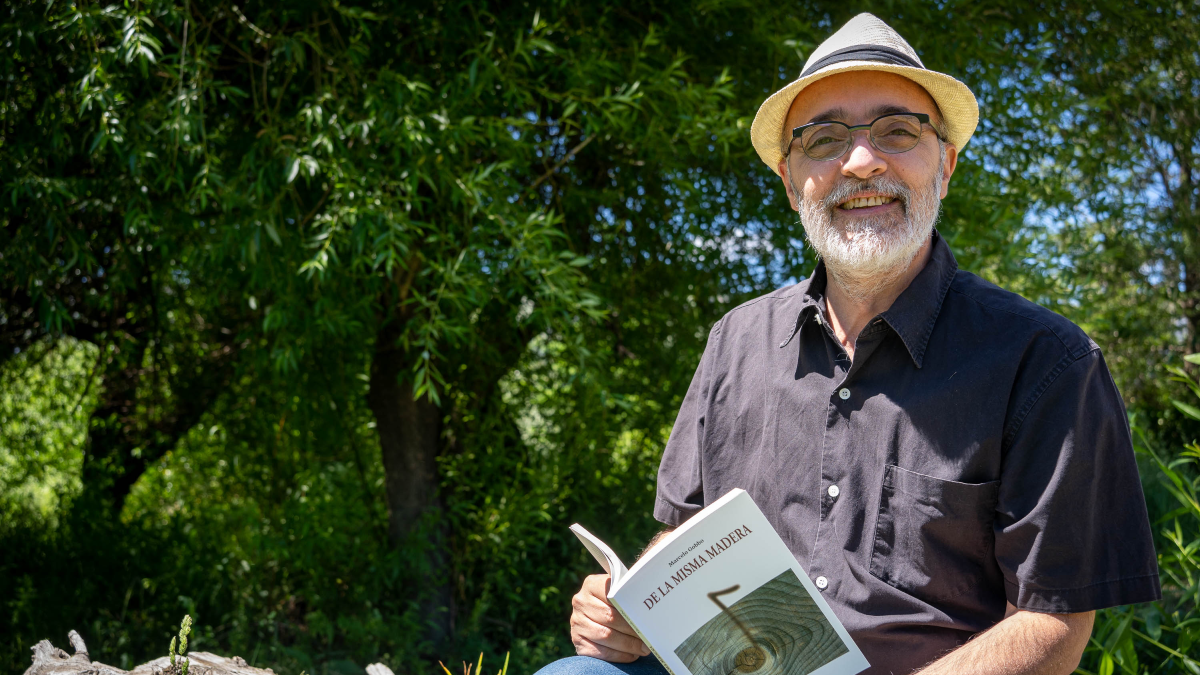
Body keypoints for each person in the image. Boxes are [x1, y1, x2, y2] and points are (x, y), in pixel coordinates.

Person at [536, 13, 1160, 675]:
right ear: (788, 178)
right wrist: (628, 605)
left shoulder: (1046, 360)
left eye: (898, 130)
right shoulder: (735, 341)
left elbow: (1053, 623)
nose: (861, 162)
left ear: (945, 164)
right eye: (824, 139)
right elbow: (681, 540)